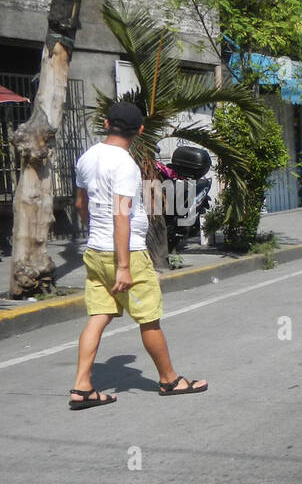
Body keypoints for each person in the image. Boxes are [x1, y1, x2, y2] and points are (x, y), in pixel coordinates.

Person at [69, 101, 206, 409]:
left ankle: (81, 386)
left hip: (95, 250)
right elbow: (121, 216)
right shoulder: (125, 165)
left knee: (98, 315)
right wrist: (122, 266)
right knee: (149, 319)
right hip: (126, 254)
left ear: (106, 123)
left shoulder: (86, 158)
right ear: (140, 130)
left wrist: (97, 234)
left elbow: (80, 205)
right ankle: (169, 380)